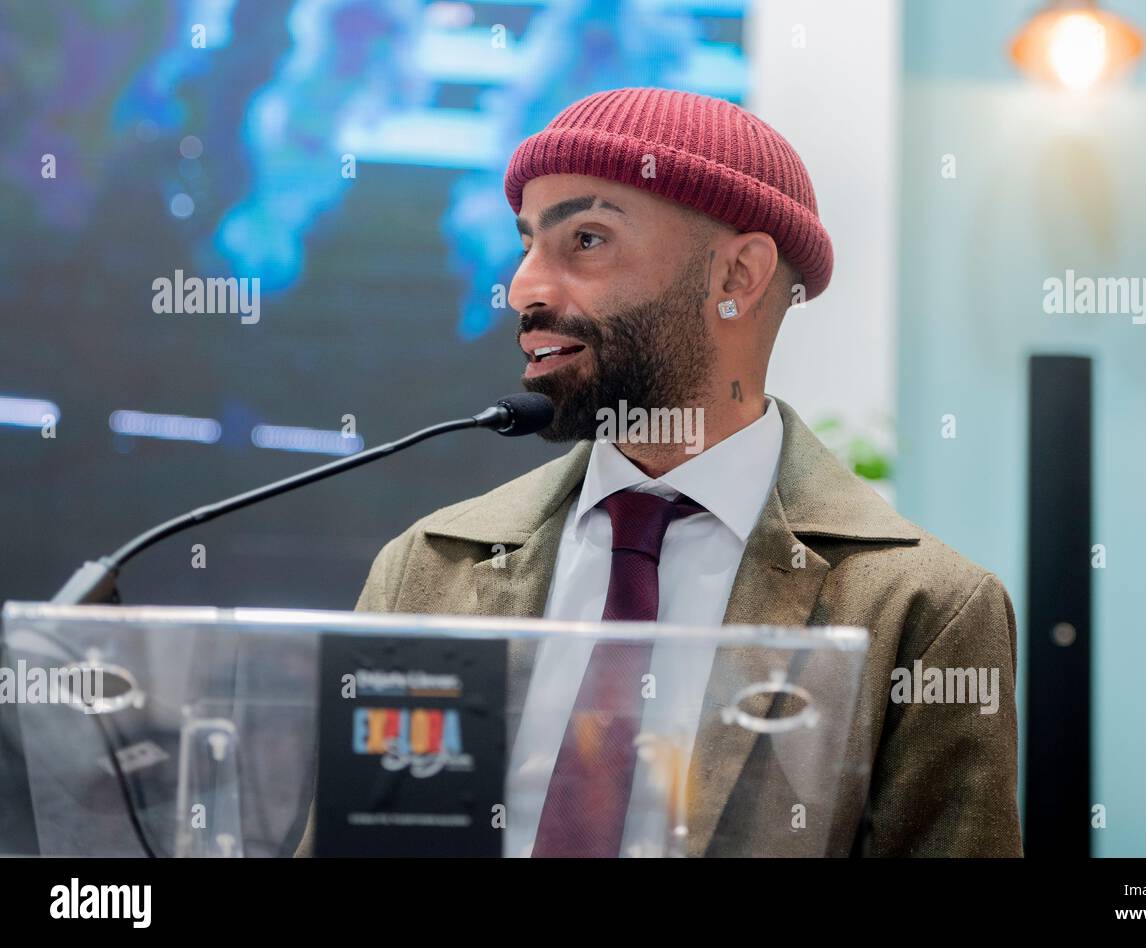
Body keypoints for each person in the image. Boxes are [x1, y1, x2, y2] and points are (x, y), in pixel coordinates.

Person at [316, 87, 1021, 857]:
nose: (524, 288)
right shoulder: (428, 569)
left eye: (585, 239)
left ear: (738, 278)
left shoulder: (921, 608)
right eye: (525, 244)